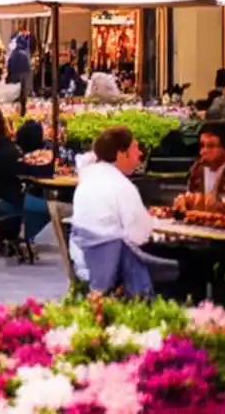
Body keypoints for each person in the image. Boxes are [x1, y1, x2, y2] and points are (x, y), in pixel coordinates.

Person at [68, 126, 176, 296]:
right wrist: (158, 225)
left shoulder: (87, 181)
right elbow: (140, 235)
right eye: (135, 148)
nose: (140, 153)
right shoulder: (122, 186)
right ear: (121, 154)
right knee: (184, 265)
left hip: (85, 263)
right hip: (116, 272)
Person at [0, 109, 48, 250]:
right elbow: (24, 170)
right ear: (5, 125)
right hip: (6, 202)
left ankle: (11, 237)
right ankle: (26, 237)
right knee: (49, 209)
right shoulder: (9, 150)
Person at [6, 35, 32, 115]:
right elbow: (28, 69)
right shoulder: (25, 54)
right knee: (23, 98)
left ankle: (16, 113)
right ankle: (22, 112)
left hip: (16, 78)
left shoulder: (13, 54)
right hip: (24, 78)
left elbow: (9, 66)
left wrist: (9, 77)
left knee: (16, 97)